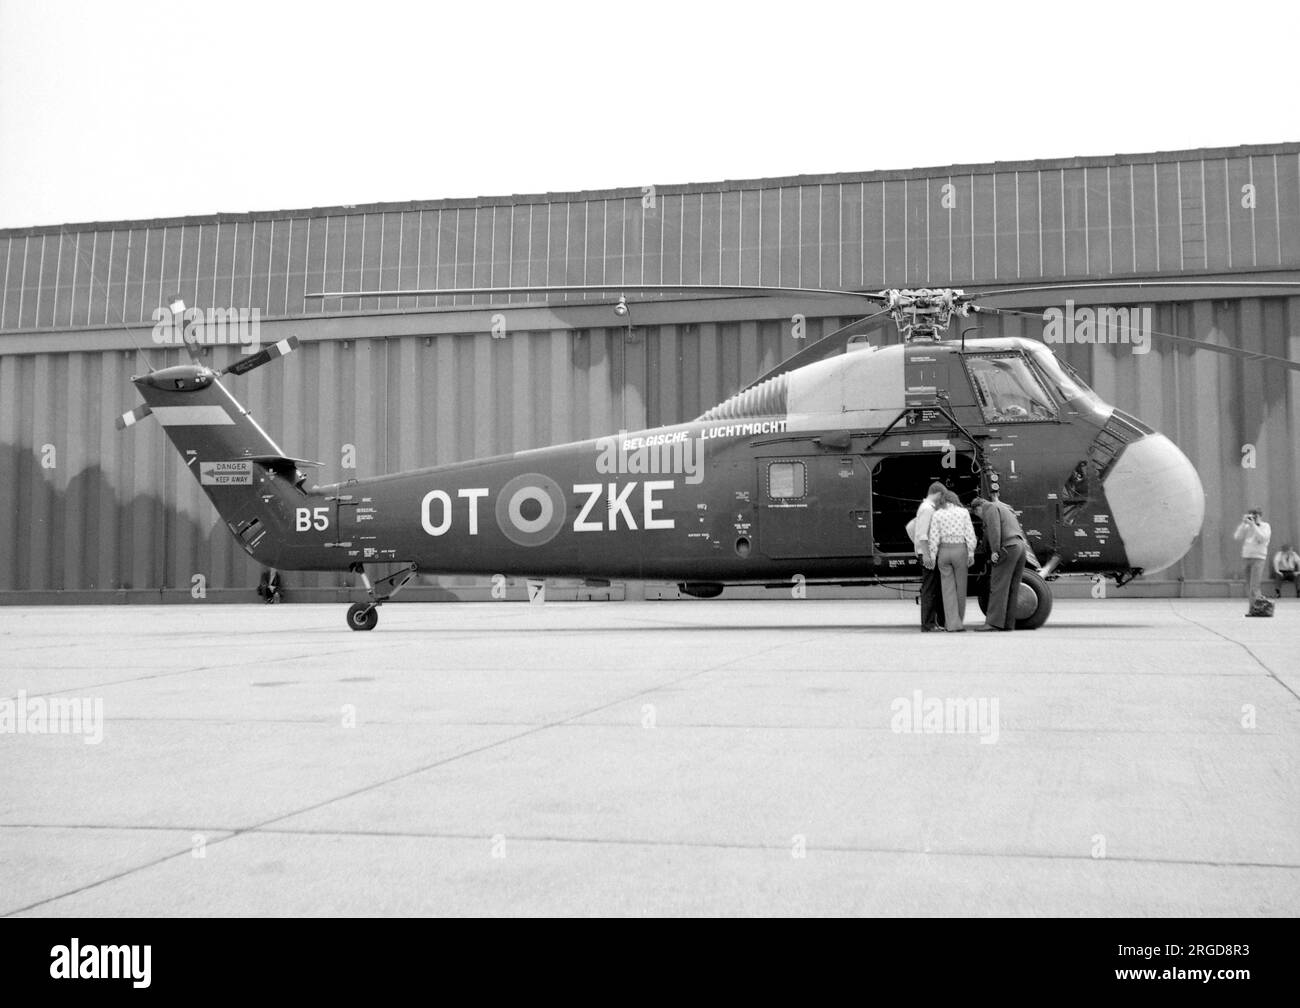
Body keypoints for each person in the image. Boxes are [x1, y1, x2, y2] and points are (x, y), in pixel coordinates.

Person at [969, 495, 1029, 632]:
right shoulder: (1003, 507)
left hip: (1007, 546)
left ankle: (993, 623)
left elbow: (994, 529)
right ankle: (1008, 624)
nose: (981, 518)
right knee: (1012, 587)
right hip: (1019, 546)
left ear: (978, 508)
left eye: (978, 515)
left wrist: (995, 550)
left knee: (998, 586)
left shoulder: (989, 508)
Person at [927, 489, 977, 632]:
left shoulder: (937, 514)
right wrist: (971, 553)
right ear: (955, 499)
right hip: (960, 550)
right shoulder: (963, 513)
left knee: (947, 590)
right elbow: (970, 534)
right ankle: (958, 623)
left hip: (943, 552)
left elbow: (934, 538)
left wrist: (932, 556)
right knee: (960, 588)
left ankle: (951, 624)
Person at [906, 482, 947, 632]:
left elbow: (912, 528)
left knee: (931, 588)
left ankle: (931, 623)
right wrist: (927, 555)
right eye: (942, 497)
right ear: (939, 494)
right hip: (927, 553)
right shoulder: (928, 509)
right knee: (930, 589)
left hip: (925, 552)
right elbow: (923, 534)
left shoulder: (925, 508)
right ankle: (928, 625)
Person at [1233, 508, 1271, 610]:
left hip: (1258, 557)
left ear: (1260, 516)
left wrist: (1254, 525)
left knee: (1254, 585)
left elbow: (1263, 538)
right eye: (1251, 516)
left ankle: (1256, 608)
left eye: (1255, 516)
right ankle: (1253, 607)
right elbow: (1237, 536)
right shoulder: (1246, 527)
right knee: (1249, 585)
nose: (1253, 518)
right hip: (1246, 557)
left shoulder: (1265, 526)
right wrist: (1243, 523)